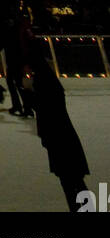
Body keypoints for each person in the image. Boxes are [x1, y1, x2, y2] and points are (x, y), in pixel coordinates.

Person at [25, 50, 89, 212]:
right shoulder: (50, 83)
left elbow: (43, 109)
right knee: (75, 181)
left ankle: (79, 209)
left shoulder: (43, 85)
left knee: (69, 181)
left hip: (58, 140)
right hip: (64, 138)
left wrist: (28, 92)